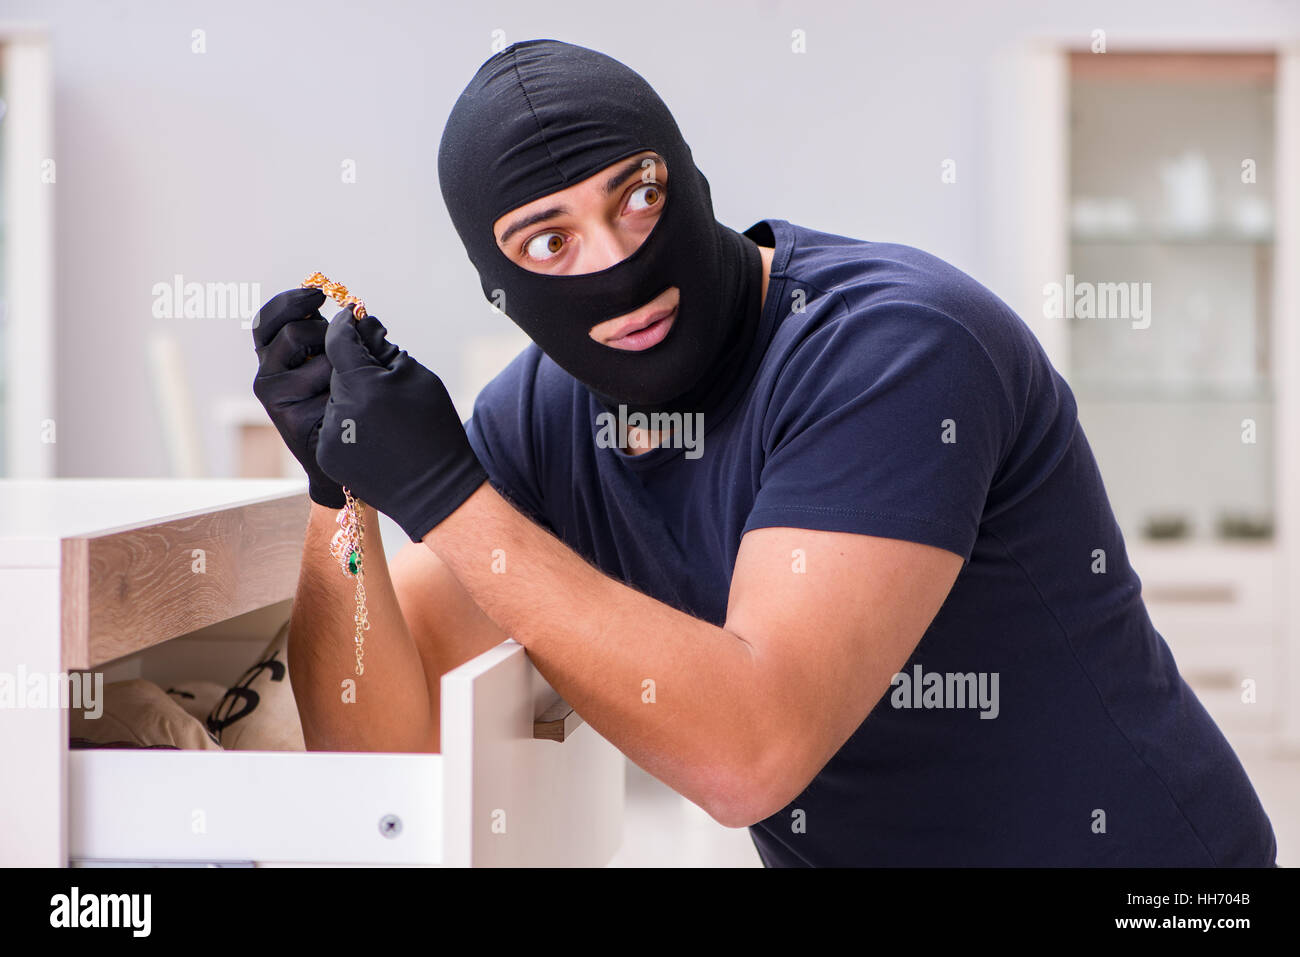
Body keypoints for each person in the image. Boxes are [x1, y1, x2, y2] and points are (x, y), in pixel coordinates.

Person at [251, 38, 1277, 866]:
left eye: (635, 196)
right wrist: (338, 495)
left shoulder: (895, 351)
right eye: (549, 241)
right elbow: (380, 752)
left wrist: (442, 493)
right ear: (499, 283)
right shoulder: (545, 415)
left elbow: (751, 754)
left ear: (689, 180)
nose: (615, 263)